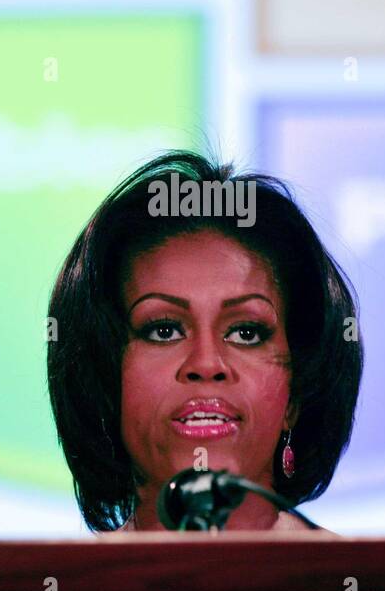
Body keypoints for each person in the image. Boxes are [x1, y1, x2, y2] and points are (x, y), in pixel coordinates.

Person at [46, 149, 363, 533]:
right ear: (106, 381)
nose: (207, 364)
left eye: (246, 332)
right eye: (164, 330)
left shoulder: (377, 589)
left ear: (296, 395)